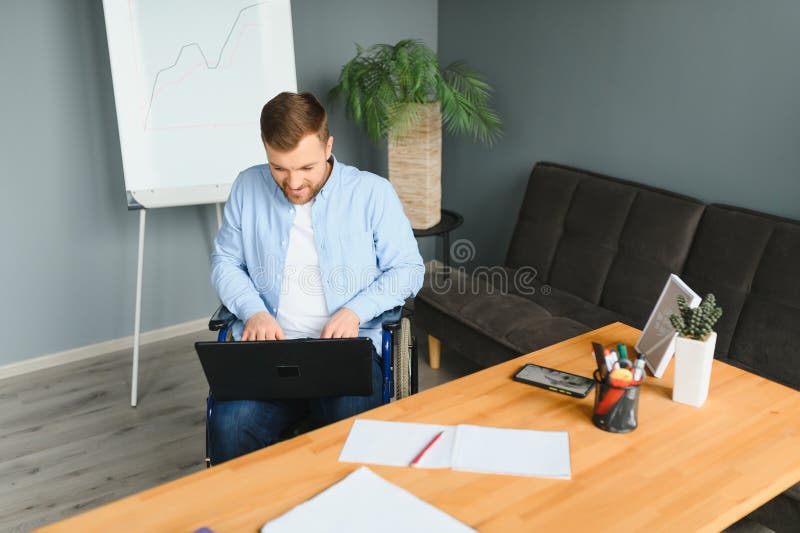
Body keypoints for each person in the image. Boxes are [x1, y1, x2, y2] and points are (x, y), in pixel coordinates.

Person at [208, 92, 424, 464]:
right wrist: (253, 311)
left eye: (306, 167)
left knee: (354, 433)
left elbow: (408, 269)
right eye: (279, 168)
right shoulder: (247, 186)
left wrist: (356, 310)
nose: (293, 182)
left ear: (328, 146)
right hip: (267, 353)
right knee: (228, 426)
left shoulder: (372, 193)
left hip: (345, 354)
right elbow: (225, 261)